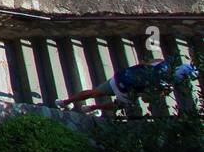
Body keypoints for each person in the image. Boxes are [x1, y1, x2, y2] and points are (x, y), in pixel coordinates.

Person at [59, 60, 198, 115]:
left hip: (121, 78)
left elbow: (144, 63)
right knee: (118, 105)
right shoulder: (164, 84)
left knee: (94, 92)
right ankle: (92, 108)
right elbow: (144, 99)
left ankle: (65, 102)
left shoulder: (163, 64)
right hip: (127, 91)